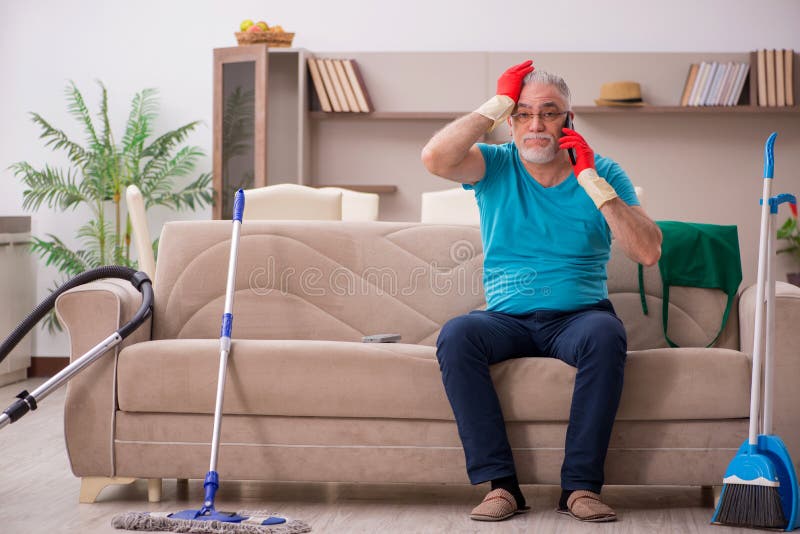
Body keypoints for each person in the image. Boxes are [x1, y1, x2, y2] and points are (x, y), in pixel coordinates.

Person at [420, 59, 662, 523]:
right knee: (457, 335)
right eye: (523, 113)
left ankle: (581, 487)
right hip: (506, 318)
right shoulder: (494, 164)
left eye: (549, 113)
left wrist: (593, 182)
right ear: (508, 123)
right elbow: (435, 158)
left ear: (569, 121)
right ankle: (502, 487)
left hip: (579, 317)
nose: (536, 124)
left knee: (605, 335)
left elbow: (648, 252)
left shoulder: (604, 169)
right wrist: (494, 105)